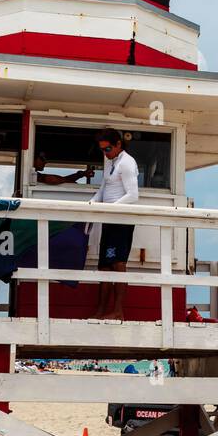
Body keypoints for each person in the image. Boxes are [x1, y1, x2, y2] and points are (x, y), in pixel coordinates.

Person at [90, 130, 140, 320]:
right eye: (102, 150)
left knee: (118, 264)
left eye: (108, 148)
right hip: (109, 220)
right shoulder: (111, 163)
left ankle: (118, 311)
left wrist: (111, 209)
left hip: (121, 220)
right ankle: (101, 311)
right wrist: (90, 205)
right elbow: (103, 190)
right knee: (104, 267)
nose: (105, 153)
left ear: (118, 144)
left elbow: (133, 195)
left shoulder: (127, 162)